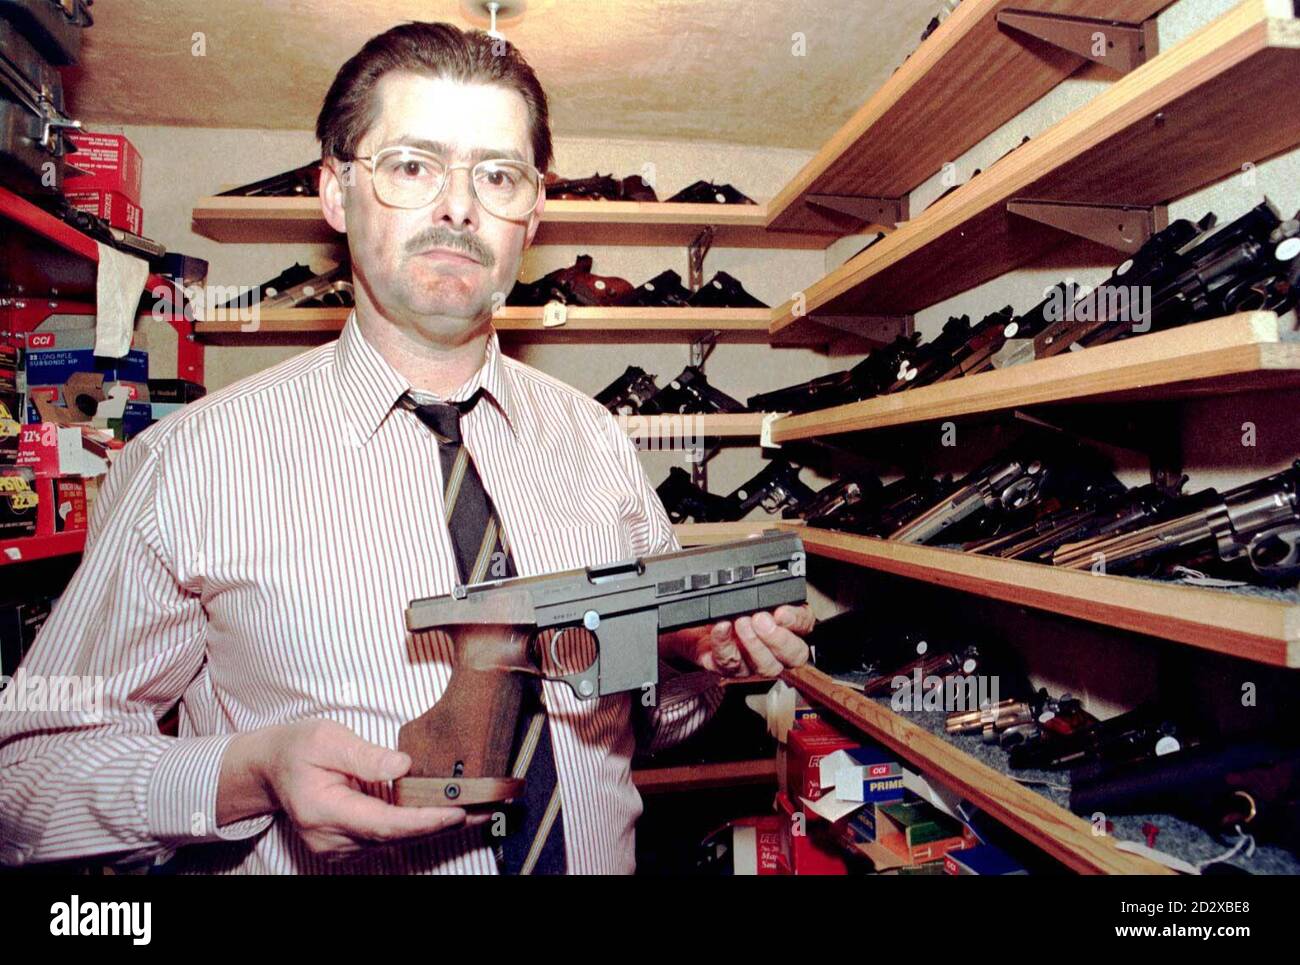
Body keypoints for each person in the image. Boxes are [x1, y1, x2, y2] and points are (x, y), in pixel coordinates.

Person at [0, 21, 813, 874]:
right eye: (412, 166)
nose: (459, 207)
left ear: (532, 215)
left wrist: (693, 659)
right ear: (334, 193)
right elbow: (23, 780)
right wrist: (244, 775)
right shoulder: (191, 462)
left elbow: (633, 727)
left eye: (497, 176)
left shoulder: (597, 444)